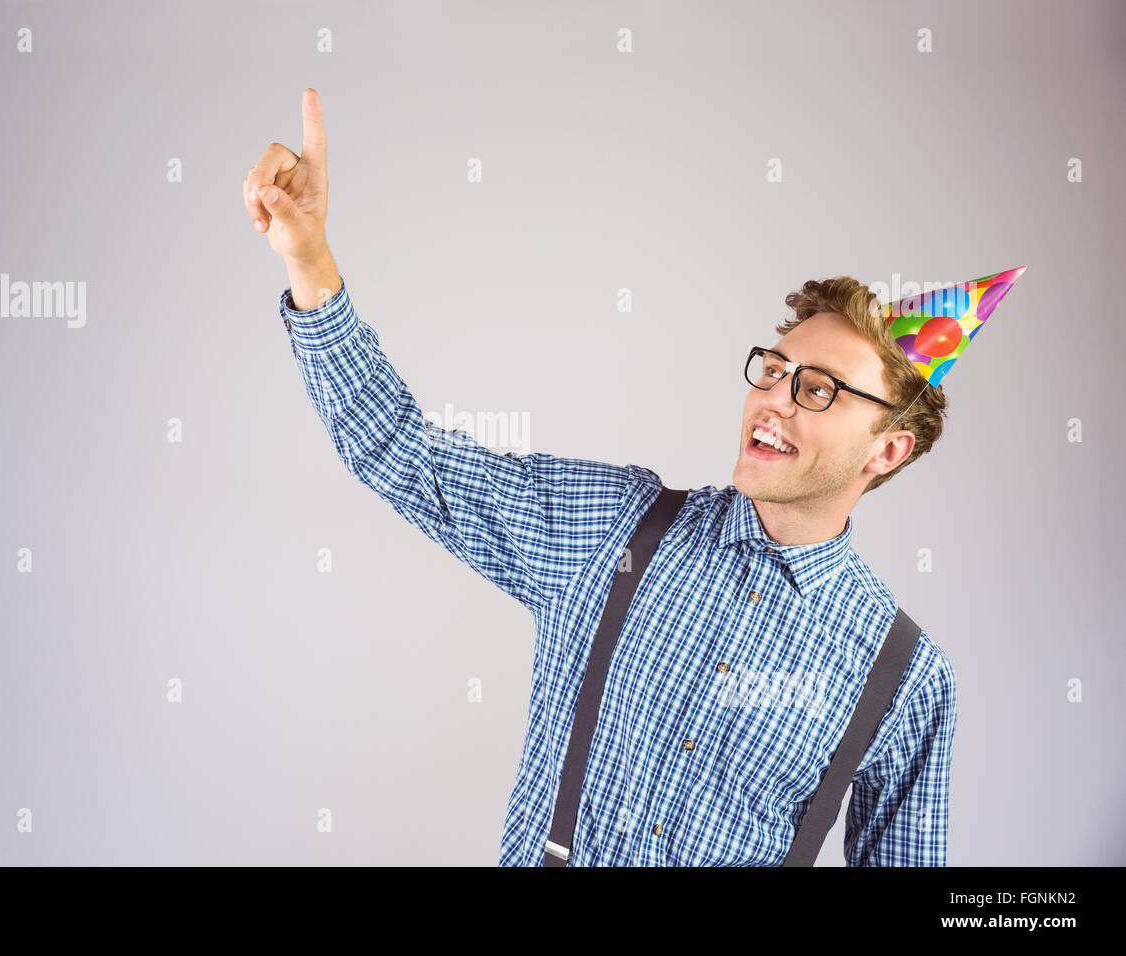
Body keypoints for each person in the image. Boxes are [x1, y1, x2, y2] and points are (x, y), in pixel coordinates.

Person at [242, 88, 957, 866]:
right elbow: (398, 449)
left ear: (888, 450)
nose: (772, 400)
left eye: (816, 389)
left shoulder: (905, 675)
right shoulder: (615, 525)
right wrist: (309, 261)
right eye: (774, 368)